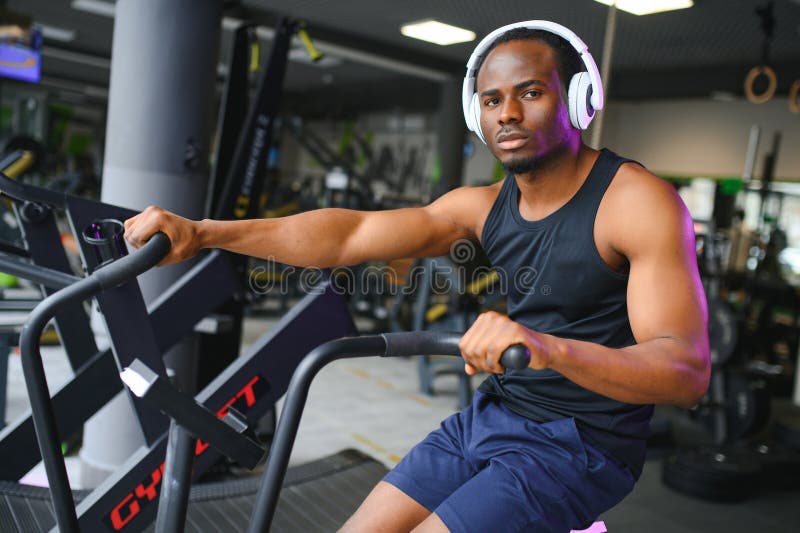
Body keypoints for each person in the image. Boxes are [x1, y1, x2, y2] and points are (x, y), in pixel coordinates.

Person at [124, 20, 709, 533]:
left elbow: (685, 371)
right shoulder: (480, 206)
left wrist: (546, 349)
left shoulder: (635, 203)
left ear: (578, 99)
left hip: (584, 445)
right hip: (496, 414)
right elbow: (349, 236)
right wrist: (203, 233)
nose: (507, 113)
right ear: (474, 113)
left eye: (530, 93)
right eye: (491, 99)